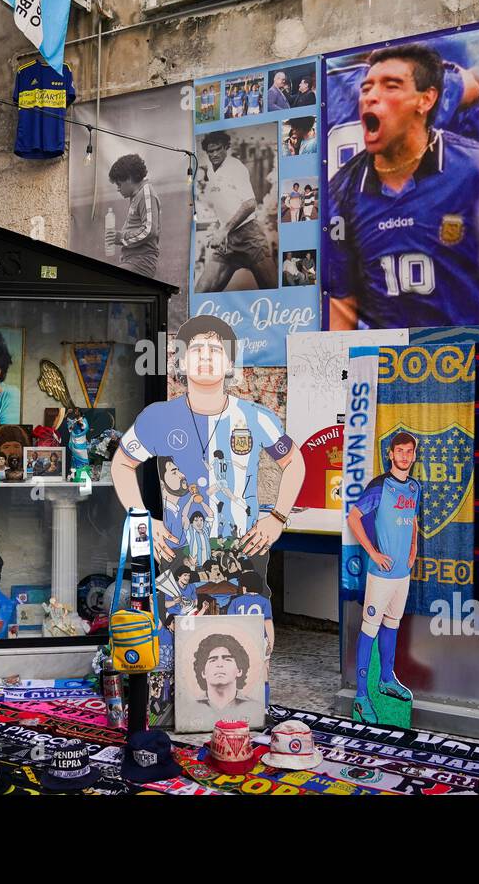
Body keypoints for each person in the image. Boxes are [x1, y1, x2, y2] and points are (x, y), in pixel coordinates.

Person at [112, 315, 304, 610]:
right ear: (181, 361)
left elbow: (294, 462)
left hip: (243, 551)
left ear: (229, 364)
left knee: (252, 633)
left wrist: (277, 518)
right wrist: (144, 521)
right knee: (179, 633)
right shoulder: (157, 418)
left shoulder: (257, 417)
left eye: (215, 350)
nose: (205, 357)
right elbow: (122, 465)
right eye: (196, 350)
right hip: (179, 552)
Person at [327, 44, 479, 329]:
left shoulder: (473, 166)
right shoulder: (340, 191)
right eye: (366, 89)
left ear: (426, 100)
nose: (371, 97)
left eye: (389, 87)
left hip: (463, 351)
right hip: (387, 357)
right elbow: (341, 303)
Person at [345, 432, 421, 723]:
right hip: (382, 574)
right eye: (399, 451)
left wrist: (414, 548)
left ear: (414, 456)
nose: (404, 456)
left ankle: (386, 680)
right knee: (370, 628)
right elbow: (353, 517)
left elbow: (413, 520)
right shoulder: (379, 485)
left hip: (403, 573)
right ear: (390, 454)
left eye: (408, 451)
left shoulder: (414, 487)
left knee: (392, 624)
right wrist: (374, 554)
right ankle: (362, 696)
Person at [194, 132, 278, 292]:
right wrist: (219, 226)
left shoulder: (235, 167)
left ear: (226, 147)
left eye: (218, 149)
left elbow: (250, 204)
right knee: (201, 292)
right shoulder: (211, 171)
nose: (215, 154)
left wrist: (224, 230)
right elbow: (226, 204)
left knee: (272, 290)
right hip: (228, 243)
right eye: (210, 151)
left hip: (250, 238)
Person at [106, 153, 162, 279]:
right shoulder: (136, 196)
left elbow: (149, 231)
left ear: (130, 179)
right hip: (133, 260)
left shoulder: (146, 193)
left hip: (142, 262)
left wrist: (121, 237)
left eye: (119, 184)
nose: (118, 189)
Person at [192, 633, 262, 716]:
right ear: (203, 672)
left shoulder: (255, 709)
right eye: (213, 660)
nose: (220, 664)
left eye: (227, 659)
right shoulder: (190, 709)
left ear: (239, 670)